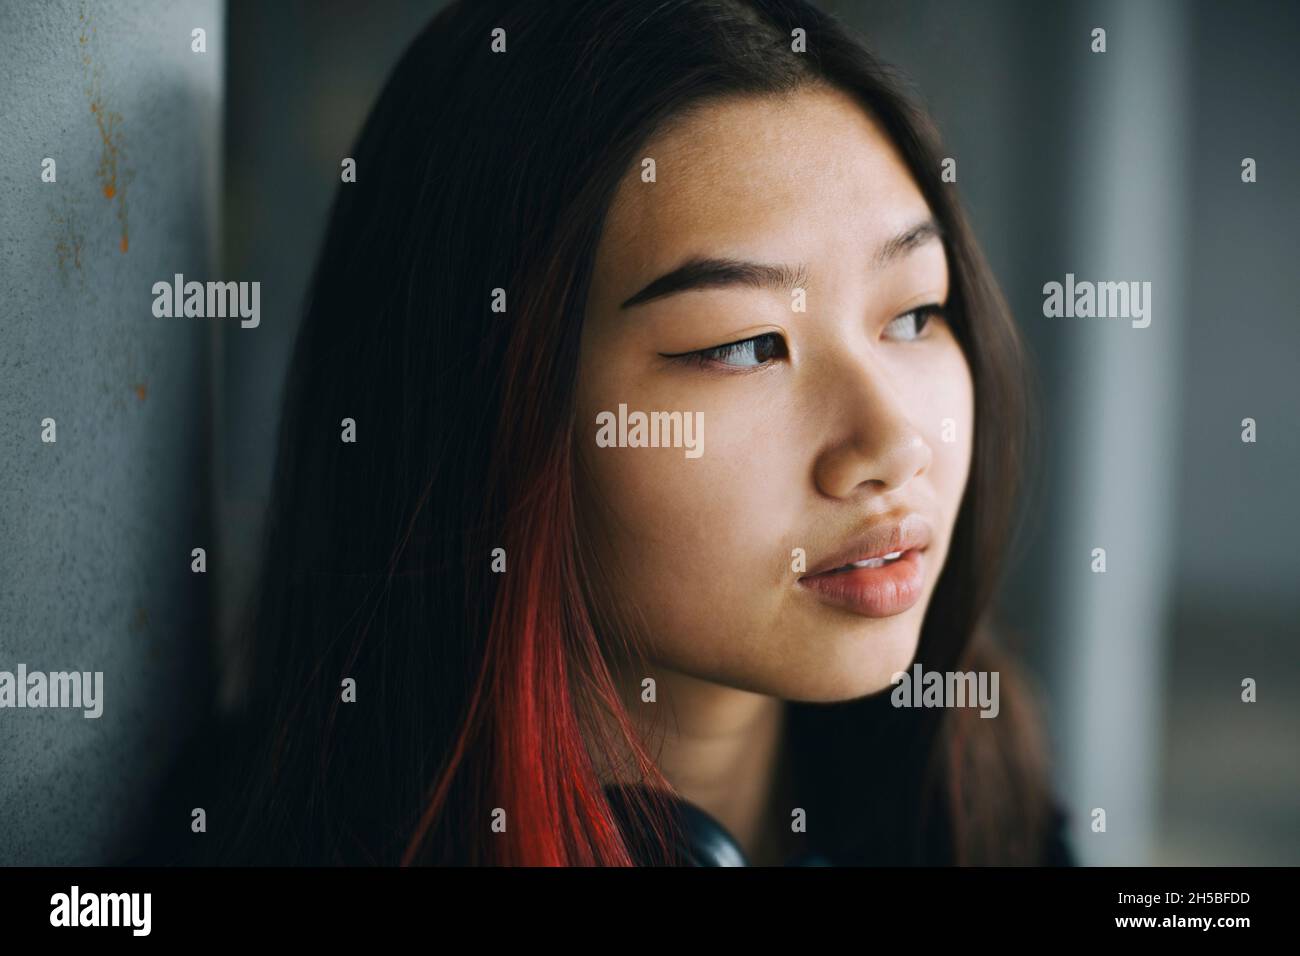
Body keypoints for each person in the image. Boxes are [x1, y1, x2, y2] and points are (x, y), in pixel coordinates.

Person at [128, 0, 1073, 867]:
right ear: (490, 403)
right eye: (744, 345)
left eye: (913, 315)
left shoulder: (978, 813)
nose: (893, 443)